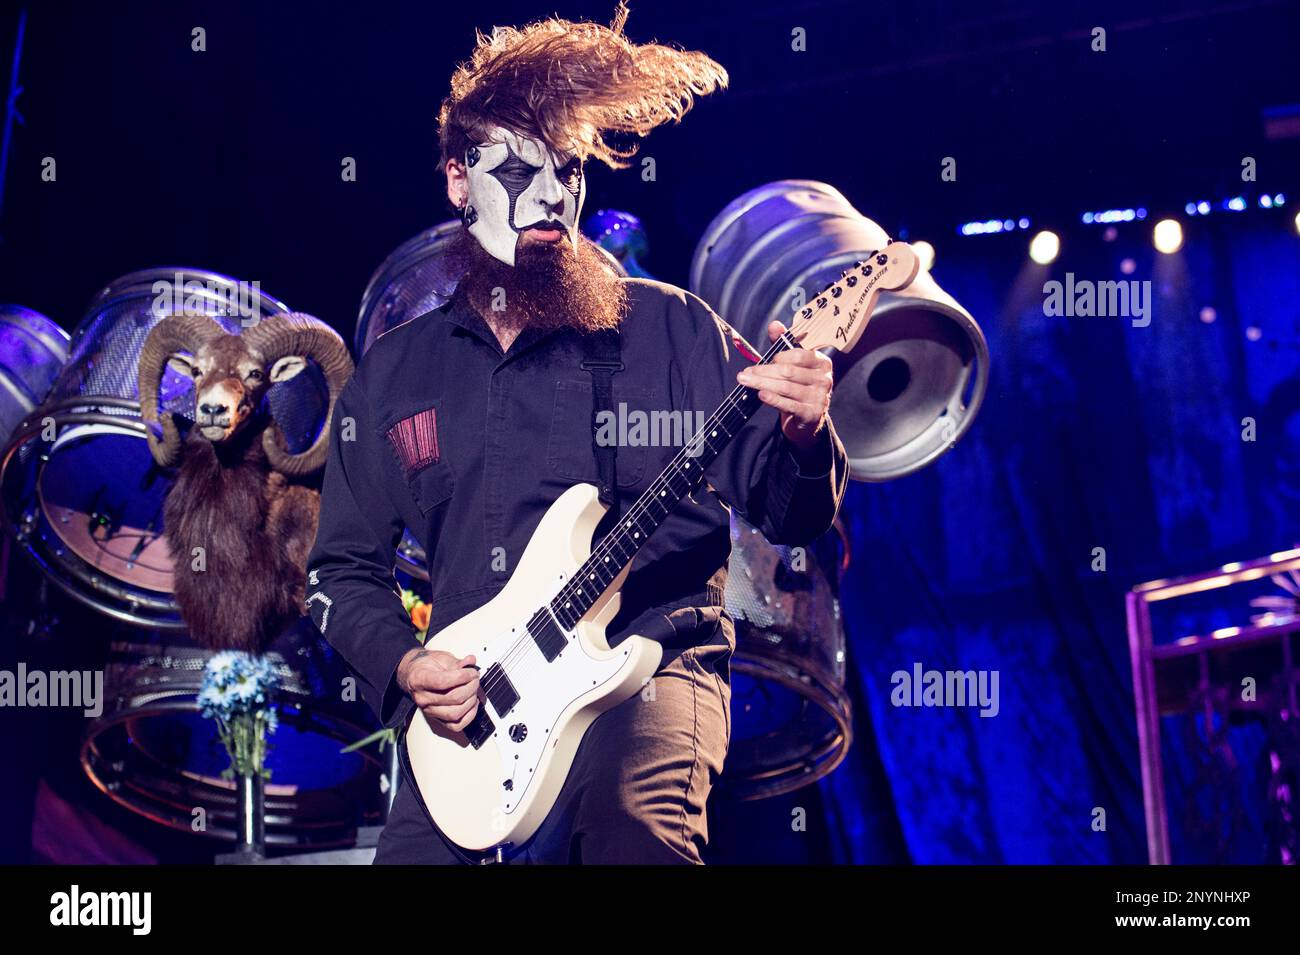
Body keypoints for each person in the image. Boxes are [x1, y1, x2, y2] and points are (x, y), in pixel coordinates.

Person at [305, 4, 848, 864]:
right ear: (456, 179)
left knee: (631, 836)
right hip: (474, 717)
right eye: (516, 170)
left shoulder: (673, 329)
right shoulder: (394, 376)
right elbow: (338, 570)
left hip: (648, 669)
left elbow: (790, 514)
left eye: (567, 169)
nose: (551, 194)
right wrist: (407, 668)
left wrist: (803, 431)